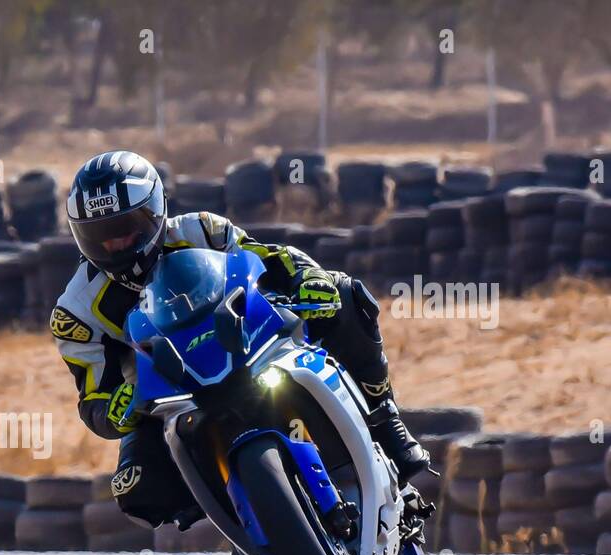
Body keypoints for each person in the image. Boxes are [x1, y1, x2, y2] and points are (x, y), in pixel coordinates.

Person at [52, 150, 429, 528]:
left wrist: (308, 278)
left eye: (126, 227)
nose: (115, 244)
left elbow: (270, 259)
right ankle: (243, 514)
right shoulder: (75, 311)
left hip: (245, 345)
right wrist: (114, 410)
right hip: (166, 394)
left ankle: (385, 419)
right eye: (100, 236)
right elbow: (93, 398)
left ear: (155, 212)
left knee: (344, 293)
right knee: (139, 491)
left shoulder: (201, 231)